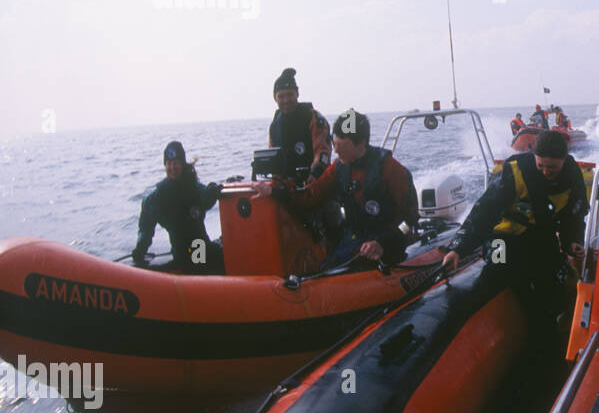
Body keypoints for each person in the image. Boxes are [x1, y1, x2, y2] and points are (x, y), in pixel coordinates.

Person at [442, 129, 589, 325]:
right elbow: (484, 211)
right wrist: (458, 248)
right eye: (541, 165)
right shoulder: (515, 170)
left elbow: (574, 216)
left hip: (540, 237)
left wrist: (573, 241)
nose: (546, 172)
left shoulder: (572, 176)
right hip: (501, 238)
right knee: (494, 271)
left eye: (552, 167)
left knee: (553, 283)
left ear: (564, 160)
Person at [253, 109, 417, 269]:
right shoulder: (339, 167)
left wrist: (383, 242)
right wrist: (274, 192)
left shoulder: (391, 170)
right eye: (334, 143)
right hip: (356, 239)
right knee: (326, 268)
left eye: (340, 145)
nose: (336, 150)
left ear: (360, 143)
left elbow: (409, 222)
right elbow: (311, 196)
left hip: (388, 242)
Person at [132, 141, 224, 274]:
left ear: (182, 164)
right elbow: (145, 230)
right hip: (182, 255)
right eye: (169, 163)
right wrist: (139, 253)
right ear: (165, 165)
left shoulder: (194, 186)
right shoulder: (156, 198)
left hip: (201, 250)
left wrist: (213, 192)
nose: (172, 167)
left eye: (176, 163)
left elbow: (206, 199)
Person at [268, 68, 332, 180]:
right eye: (281, 96)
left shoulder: (313, 118)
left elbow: (322, 152)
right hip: (286, 185)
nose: (286, 100)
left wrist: (314, 174)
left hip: (315, 182)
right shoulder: (274, 126)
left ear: (297, 93)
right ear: (275, 98)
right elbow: (273, 160)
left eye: (289, 95)